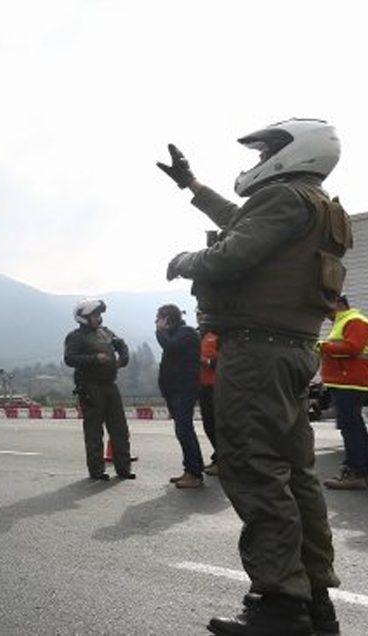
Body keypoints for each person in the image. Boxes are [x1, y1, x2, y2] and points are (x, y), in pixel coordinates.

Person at [160, 118, 349, 635]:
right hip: (291, 351)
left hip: (256, 353)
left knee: (253, 467)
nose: (258, 159)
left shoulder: (285, 199)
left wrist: (185, 260)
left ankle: (278, 605)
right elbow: (243, 221)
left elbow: (231, 253)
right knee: (297, 474)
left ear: (294, 153)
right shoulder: (314, 204)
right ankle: (313, 599)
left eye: (266, 149)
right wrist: (193, 187)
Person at [63, 298, 134, 481]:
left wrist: (123, 358)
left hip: (110, 385)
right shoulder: (75, 336)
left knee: (119, 429)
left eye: (99, 314)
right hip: (90, 387)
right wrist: (95, 358)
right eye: (95, 314)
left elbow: (121, 344)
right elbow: (69, 358)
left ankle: (123, 469)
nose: (99, 318)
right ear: (84, 317)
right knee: (94, 431)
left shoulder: (105, 332)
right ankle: (96, 471)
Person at [318, 294, 368, 490]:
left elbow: (352, 348)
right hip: (345, 382)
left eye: (326, 308)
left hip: (351, 382)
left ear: (338, 304)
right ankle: (360, 469)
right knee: (354, 425)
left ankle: (355, 471)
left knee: (351, 425)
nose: (324, 314)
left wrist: (322, 346)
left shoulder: (355, 320)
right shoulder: (344, 321)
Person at [155, 304, 204, 488]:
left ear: (167, 319)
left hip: (184, 390)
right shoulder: (176, 335)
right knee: (185, 430)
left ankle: (194, 473)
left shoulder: (187, 333)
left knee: (183, 431)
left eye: (159, 318)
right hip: (175, 392)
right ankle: (192, 469)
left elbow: (170, 347)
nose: (156, 322)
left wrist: (159, 331)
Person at [197, 312, 220, 476]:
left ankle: (223, 461)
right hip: (202, 387)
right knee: (208, 425)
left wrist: (207, 362)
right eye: (197, 314)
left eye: (203, 315)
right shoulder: (198, 335)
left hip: (218, 387)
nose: (200, 318)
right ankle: (218, 456)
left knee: (218, 426)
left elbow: (228, 360)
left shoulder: (219, 335)